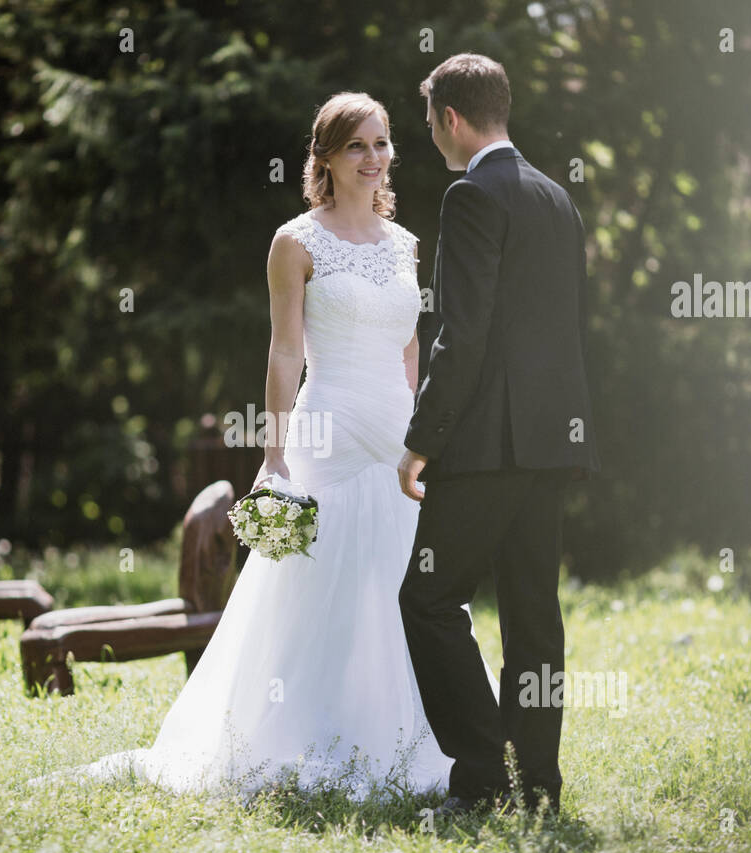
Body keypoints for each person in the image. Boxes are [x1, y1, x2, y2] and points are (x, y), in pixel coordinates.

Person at [32, 91, 499, 803]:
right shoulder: (295, 241)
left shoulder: (404, 244)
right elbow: (285, 354)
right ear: (326, 158)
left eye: (381, 144)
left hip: (395, 441)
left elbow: (411, 349)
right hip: (327, 436)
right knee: (314, 587)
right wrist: (274, 455)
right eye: (356, 147)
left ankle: (431, 740)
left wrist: (423, 435)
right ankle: (306, 733)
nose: (373, 159)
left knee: (405, 586)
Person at [397, 54, 601, 818]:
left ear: (450, 118)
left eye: (427, 124)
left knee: (427, 599)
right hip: (552, 445)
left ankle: (484, 776)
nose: (430, 138)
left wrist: (424, 438)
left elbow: (463, 333)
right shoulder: (556, 198)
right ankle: (535, 784)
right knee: (531, 615)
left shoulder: (470, 195)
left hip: (487, 446)